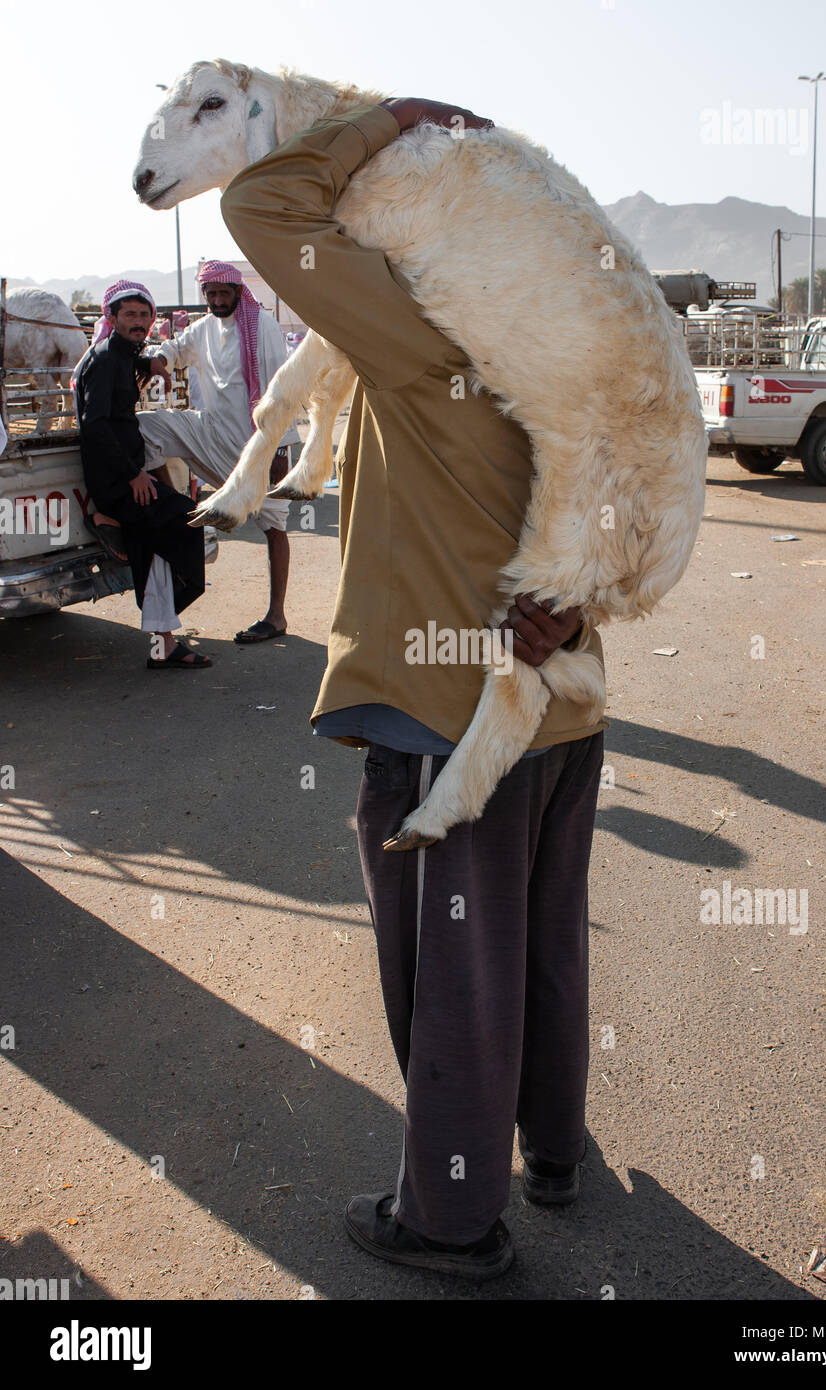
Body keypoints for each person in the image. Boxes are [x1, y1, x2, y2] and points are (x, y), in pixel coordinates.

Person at [220, 97, 607, 1281]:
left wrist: (381, 121)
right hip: (566, 702)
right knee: (539, 946)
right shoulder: (570, 337)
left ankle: (451, 1219)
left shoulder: (415, 327)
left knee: (455, 976)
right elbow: (638, 480)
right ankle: (547, 1155)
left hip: (449, 724)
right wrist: (585, 601)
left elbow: (258, 202)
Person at [140, 262, 300, 644]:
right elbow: (175, 349)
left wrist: (282, 446)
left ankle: (276, 616)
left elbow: (284, 387)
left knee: (275, 526)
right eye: (209, 294)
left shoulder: (261, 326)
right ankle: (173, 503)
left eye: (222, 293)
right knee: (146, 427)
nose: (215, 300)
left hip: (257, 445)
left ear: (236, 291)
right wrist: (158, 362)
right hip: (210, 431)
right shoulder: (204, 329)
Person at [72, 281, 210, 670]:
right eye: (129, 315)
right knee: (188, 520)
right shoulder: (102, 360)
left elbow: (127, 363)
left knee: (156, 554)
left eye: (144, 314)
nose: (139, 322)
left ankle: (162, 646)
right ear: (111, 318)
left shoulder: (122, 355)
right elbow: (95, 425)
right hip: (120, 481)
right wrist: (133, 474)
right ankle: (115, 525)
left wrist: (150, 363)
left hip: (128, 479)